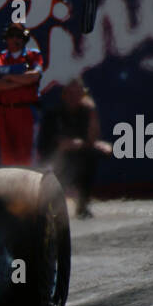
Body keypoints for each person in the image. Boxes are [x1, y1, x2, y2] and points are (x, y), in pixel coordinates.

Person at [37, 78, 110, 218]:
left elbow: (91, 139)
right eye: (70, 93)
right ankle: (52, 207)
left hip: (76, 156)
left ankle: (82, 205)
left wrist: (93, 112)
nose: (74, 97)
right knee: (62, 163)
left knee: (91, 156)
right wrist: (73, 143)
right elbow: (55, 143)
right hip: (53, 157)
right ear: (64, 95)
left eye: (78, 93)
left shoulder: (85, 112)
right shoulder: (54, 114)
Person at [0, 22, 43, 166]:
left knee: (25, 151)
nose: (14, 39)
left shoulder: (33, 56)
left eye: (18, 36)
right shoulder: (0, 59)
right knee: (6, 151)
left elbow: (34, 76)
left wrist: (9, 78)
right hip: (4, 110)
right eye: (11, 36)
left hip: (24, 110)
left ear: (24, 38)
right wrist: (21, 81)